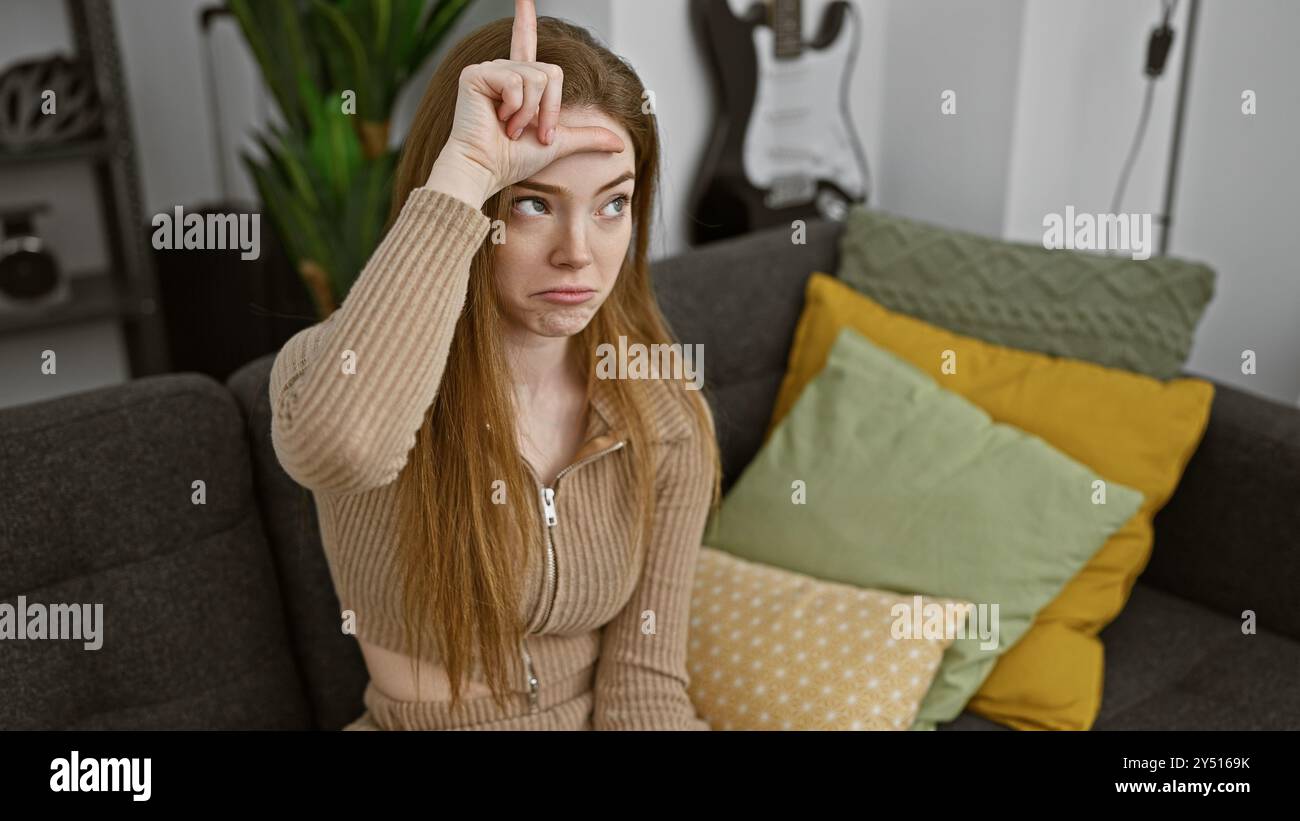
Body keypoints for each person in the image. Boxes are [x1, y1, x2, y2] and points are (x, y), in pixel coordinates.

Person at [268, 0, 720, 730]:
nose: (580, 251)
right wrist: (466, 171)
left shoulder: (660, 405)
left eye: (613, 205)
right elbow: (341, 446)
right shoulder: (345, 368)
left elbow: (644, 686)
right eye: (534, 203)